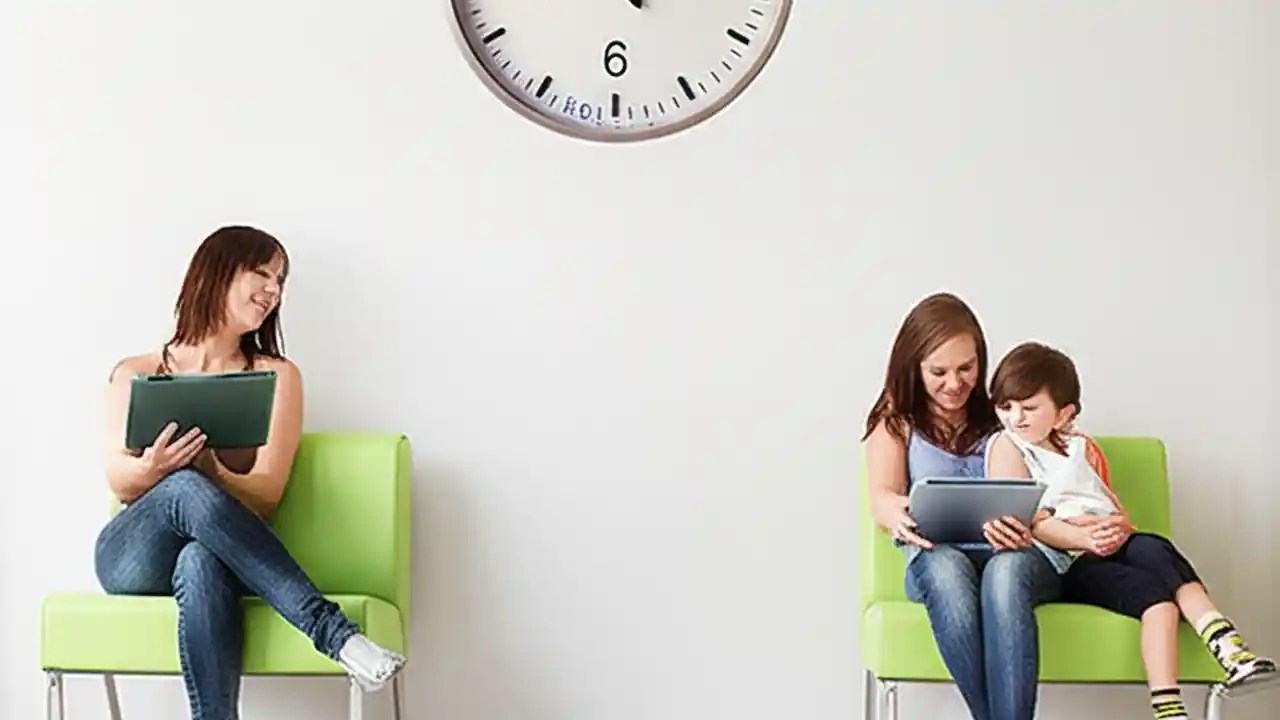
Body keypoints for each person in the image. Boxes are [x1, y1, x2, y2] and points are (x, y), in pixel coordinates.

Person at [93, 225, 406, 719]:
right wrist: (159, 468)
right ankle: (335, 634)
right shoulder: (135, 372)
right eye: (261, 273)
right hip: (133, 555)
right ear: (215, 273)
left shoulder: (278, 375)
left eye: (280, 280)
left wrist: (213, 469)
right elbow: (119, 479)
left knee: (200, 558)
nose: (273, 290)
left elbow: (264, 497)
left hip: (222, 554)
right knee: (181, 487)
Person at [986, 341, 1276, 720]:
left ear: (1063, 414)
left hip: (1109, 542)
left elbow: (1113, 508)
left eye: (1029, 407)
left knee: (1154, 551)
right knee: (1154, 591)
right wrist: (1084, 537)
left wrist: (1117, 527)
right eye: (1006, 406)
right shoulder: (1008, 446)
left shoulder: (1081, 447)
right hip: (1071, 560)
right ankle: (1175, 701)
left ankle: (1226, 648)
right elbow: (1033, 522)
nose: (1015, 418)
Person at [863, 292, 1062, 720]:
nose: (954, 383)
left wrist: (1022, 524)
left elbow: (1050, 479)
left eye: (966, 369)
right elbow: (881, 497)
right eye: (938, 372)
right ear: (913, 367)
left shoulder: (1003, 412)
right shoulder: (895, 419)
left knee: (1006, 569)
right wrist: (899, 513)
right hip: (937, 557)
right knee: (944, 565)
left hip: (1009, 553)